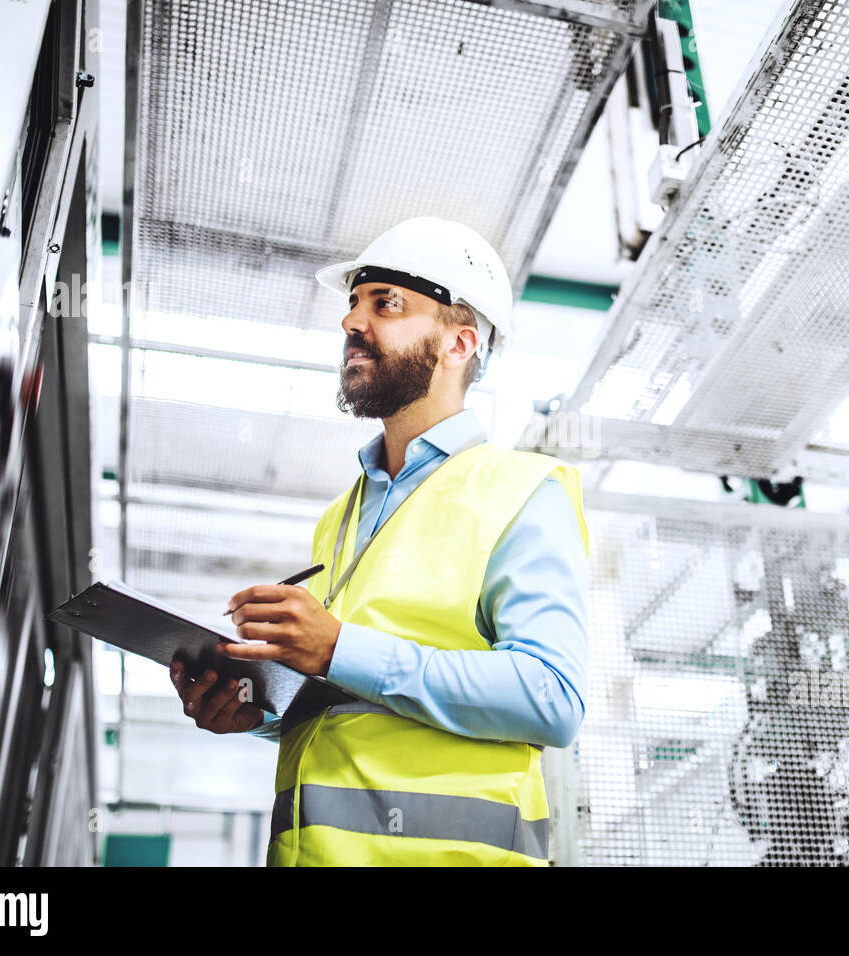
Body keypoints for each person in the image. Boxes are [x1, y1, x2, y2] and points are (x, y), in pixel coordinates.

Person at [168, 216, 589, 865]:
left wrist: (337, 646)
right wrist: (261, 713)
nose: (351, 323)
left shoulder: (524, 490)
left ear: (458, 345)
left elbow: (551, 698)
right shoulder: (340, 516)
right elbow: (353, 700)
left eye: (385, 303)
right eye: (353, 304)